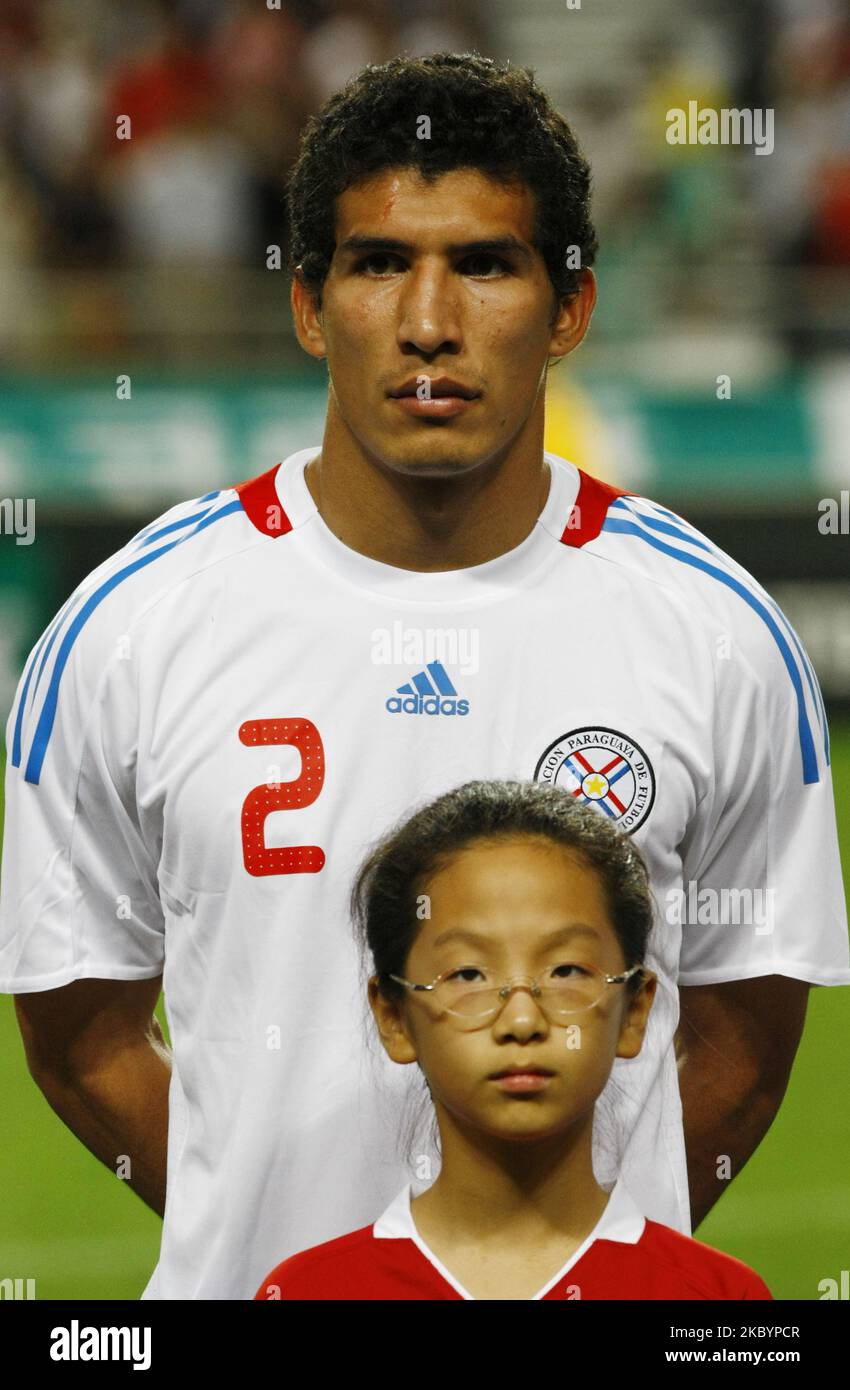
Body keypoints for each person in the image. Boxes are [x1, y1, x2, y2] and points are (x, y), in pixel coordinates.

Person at [0, 52, 847, 1301]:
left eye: (486, 264)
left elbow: (744, 1042)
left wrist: (524, 1265)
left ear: (569, 310)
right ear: (307, 304)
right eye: (379, 262)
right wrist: (314, 1259)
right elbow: (77, 1035)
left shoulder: (712, 627)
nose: (428, 322)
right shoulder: (132, 625)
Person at [255, 780, 772, 1301]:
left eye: (567, 969)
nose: (522, 1020)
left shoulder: (721, 1299)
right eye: (467, 975)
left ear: (635, 1009)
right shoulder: (308, 1292)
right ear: (394, 1016)